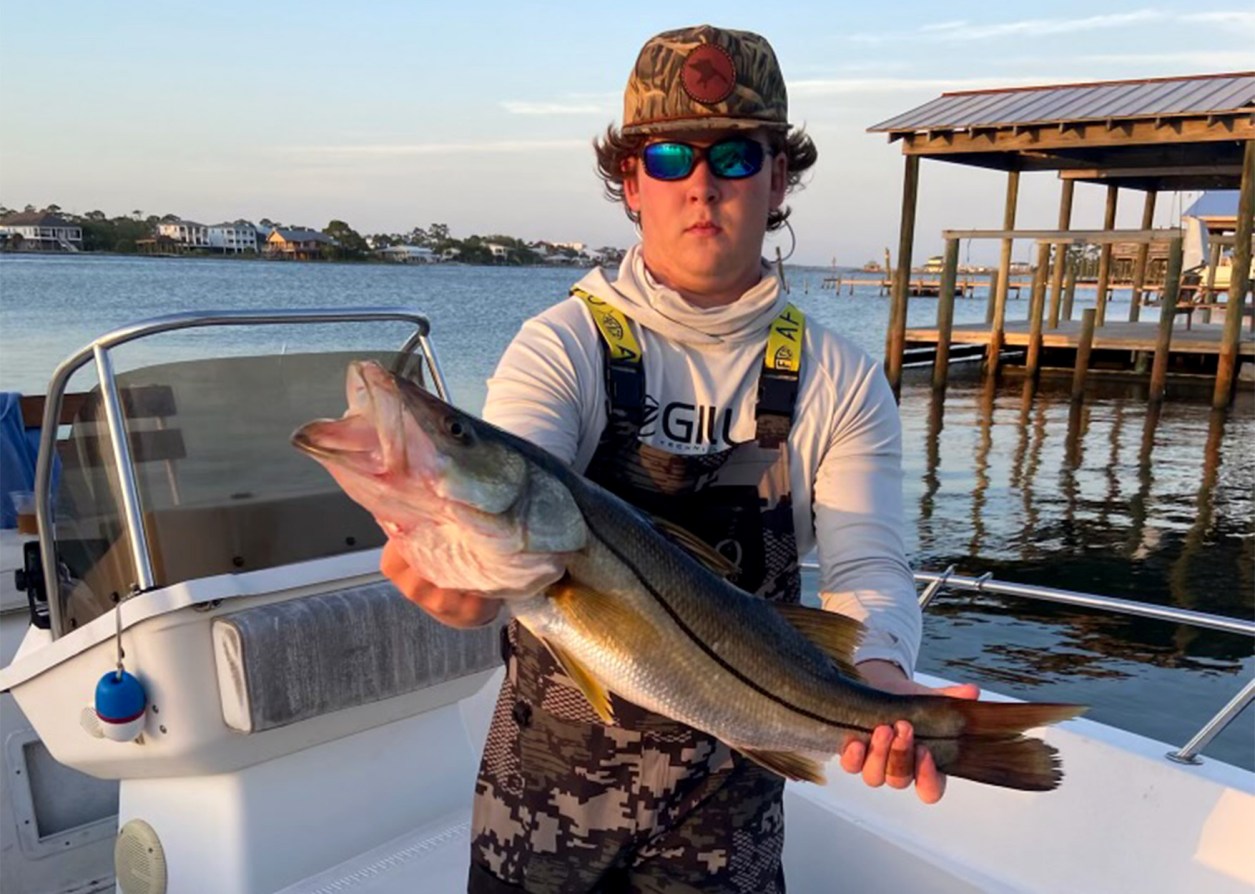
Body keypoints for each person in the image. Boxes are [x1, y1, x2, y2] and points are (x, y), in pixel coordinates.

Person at [381, 23, 978, 893]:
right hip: (542, 794)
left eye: (736, 156)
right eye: (668, 157)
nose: (701, 184)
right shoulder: (563, 347)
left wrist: (881, 687)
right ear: (630, 181)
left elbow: (868, 566)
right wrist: (463, 580)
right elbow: (515, 498)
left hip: (733, 796)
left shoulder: (839, 377)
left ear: (778, 178)